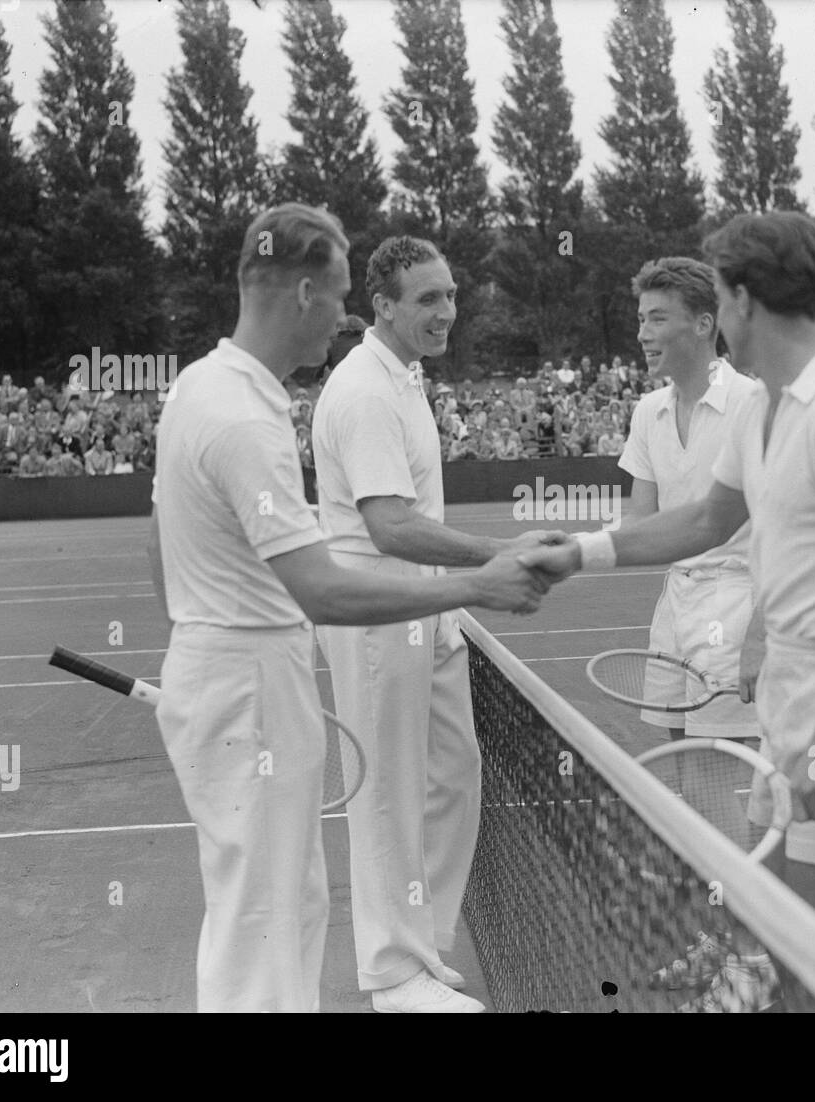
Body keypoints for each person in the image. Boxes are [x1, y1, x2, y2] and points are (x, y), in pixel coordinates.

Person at [521, 210, 815, 991]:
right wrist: (580, 552)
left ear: (743, 301)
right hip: (795, 690)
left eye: (719, 295)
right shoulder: (767, 412)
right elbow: (708, 520)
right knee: (763, 923)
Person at [148, 205, 551, 1014]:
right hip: (248, 675)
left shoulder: (210, 387)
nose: (345, 316)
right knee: (263, 913)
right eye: (338, 296)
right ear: (302, 292)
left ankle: (406, 961)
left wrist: (196, 636)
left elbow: (155, 538)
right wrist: (482, 582)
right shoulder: (240, 415)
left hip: (241, 665)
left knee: (285, 903)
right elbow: (326, 586)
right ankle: (395, 971)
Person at [312, 235, 565, 1013]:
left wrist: (461, 588)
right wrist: (495, 559)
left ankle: (422, 947)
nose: (446, 311)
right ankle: (393, 974)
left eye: (451, 295)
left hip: (429, 612)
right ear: (382, 307)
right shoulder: (363, 391)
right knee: (387, 790)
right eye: (428, 299)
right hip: (379, 616)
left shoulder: (406, 379)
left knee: (453, 773)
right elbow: (389, 526)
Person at [622, 256, 766, 999]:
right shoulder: (647, 412)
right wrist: (567, 551)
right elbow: (639, 527)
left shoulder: (753, 403)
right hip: (674, 611)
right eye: (640, 317)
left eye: (657, 318)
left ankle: (752, 958)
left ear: (705, 324)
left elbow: (777, 527)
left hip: (737, 609)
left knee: (719, 790)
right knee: (689, 788)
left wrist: (760, 634)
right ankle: (719, 941)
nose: (642, 332)